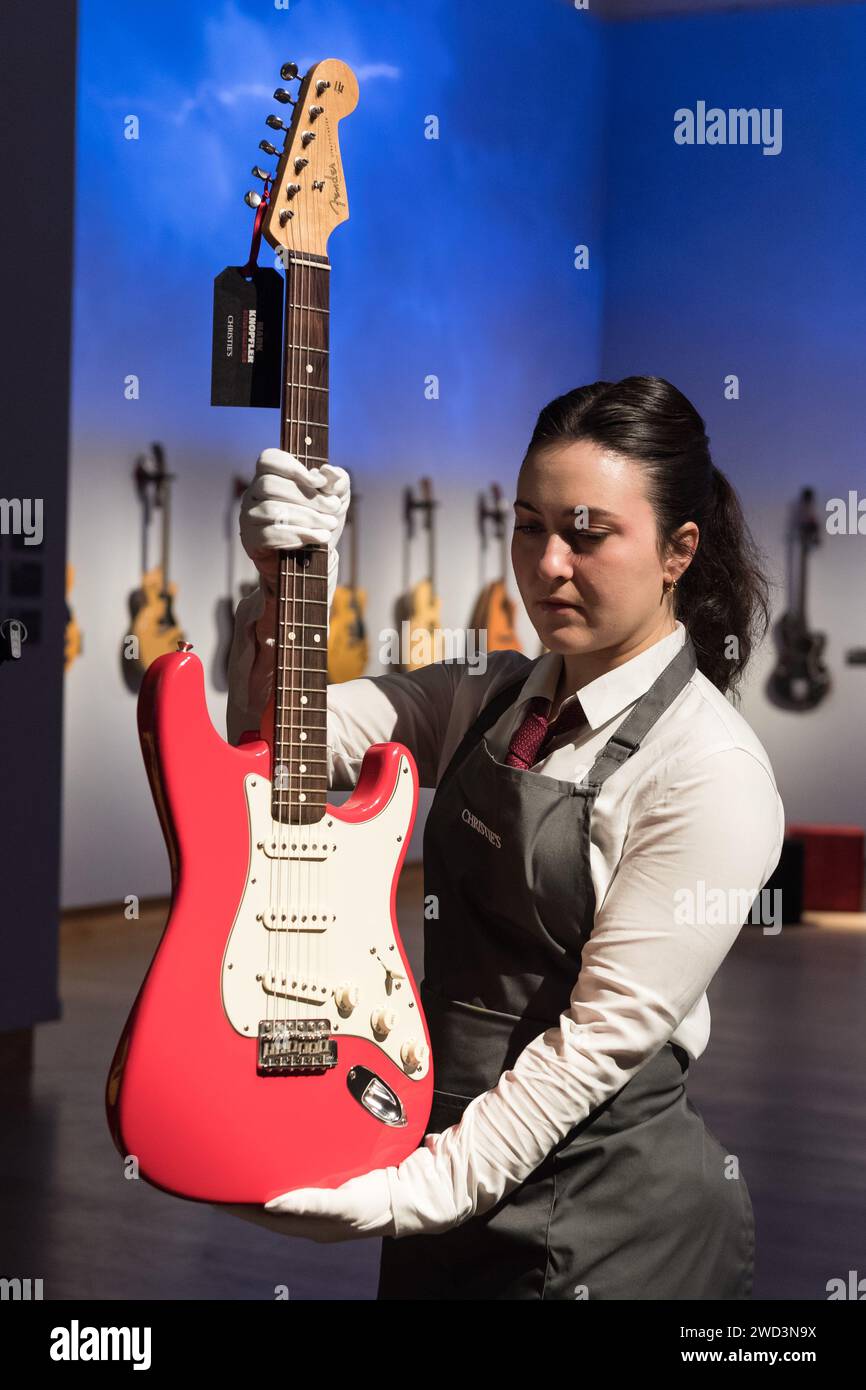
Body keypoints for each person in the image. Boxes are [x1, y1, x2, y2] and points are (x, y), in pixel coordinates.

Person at [225, 375, 784, 1300]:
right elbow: (276, 752)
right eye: (530, 525)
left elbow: (591, 1050)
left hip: (615, 1227)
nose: (548, 564)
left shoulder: (710, 771)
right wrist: (277, 582)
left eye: (587, 533)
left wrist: (413, 1195)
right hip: (445, 1172)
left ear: (679, 550)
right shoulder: (483, 695)